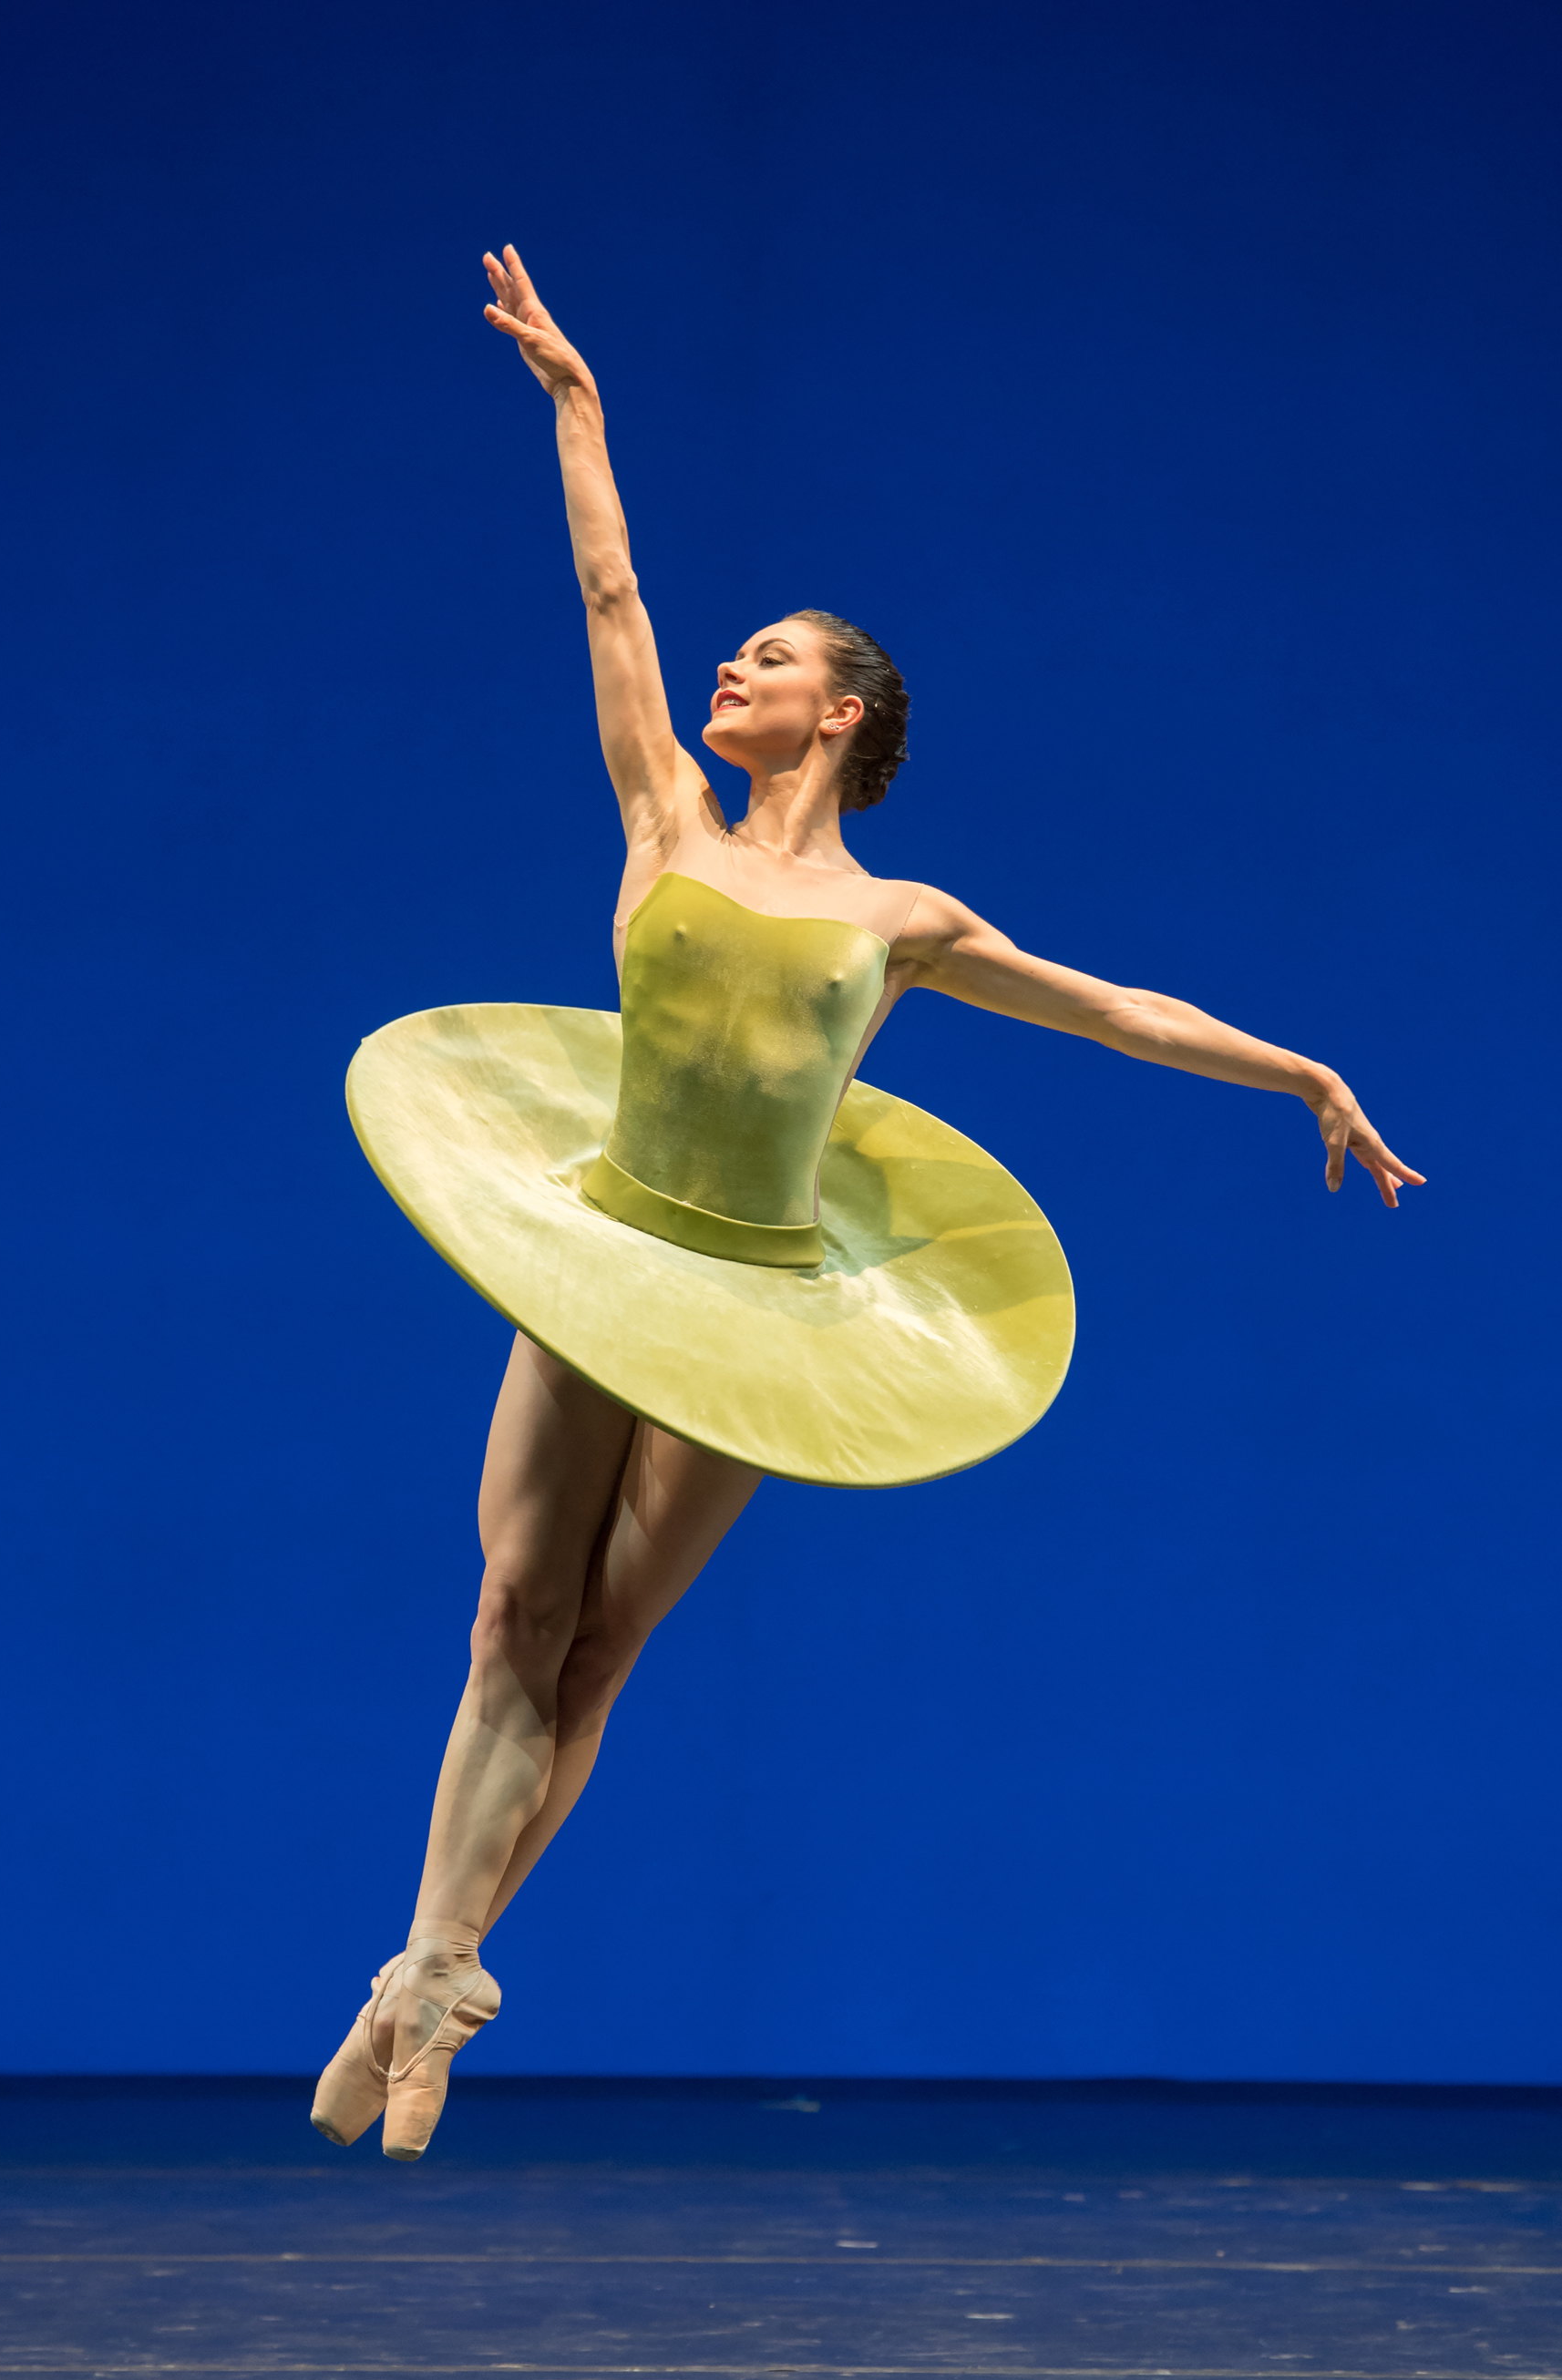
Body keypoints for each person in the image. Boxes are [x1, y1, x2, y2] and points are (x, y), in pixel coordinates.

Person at [312, 246, 1422, 2161]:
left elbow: (1112, 1009)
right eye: (731, 654)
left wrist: (1301, 1071)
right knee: (513, 1610)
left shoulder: (902, 922)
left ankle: (435, 1974)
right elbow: (608, 591)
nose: (731, 669)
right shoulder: (662, 813)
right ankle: (428, 1964)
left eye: (773, 658)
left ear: (838, 720)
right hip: (607, 1249)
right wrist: (577, 407)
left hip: (760, 1298)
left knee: (599, 1651)